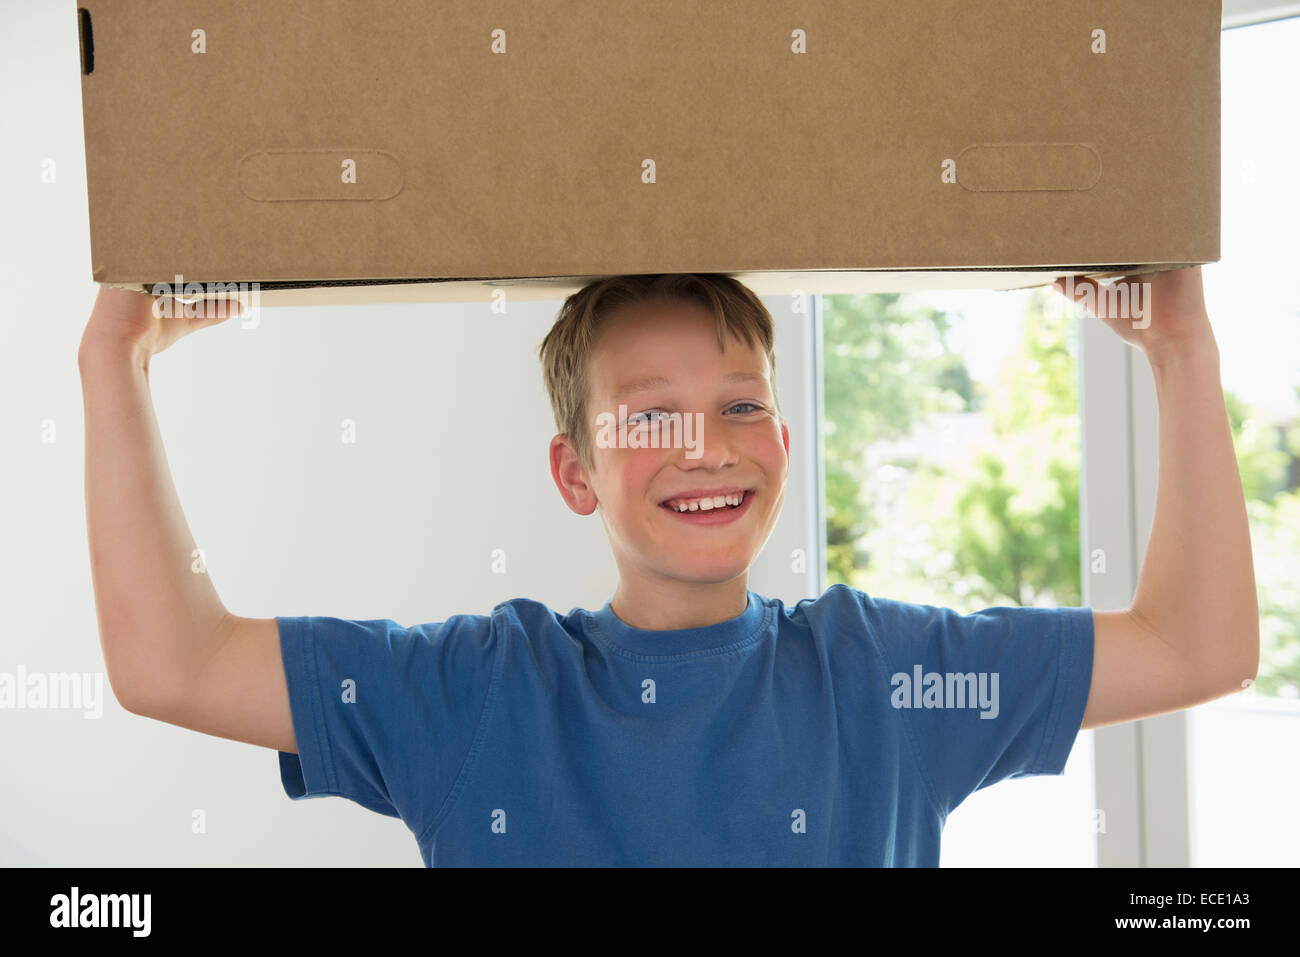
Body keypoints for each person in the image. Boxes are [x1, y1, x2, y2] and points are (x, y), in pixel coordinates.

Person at [77, 268, 1259, 865]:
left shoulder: (889, 676)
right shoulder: (474, 692)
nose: (704, 446)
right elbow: (171, 665)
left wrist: (1178, 349)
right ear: (574, 471)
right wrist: (113, 364)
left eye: (739, 404)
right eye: (647, 416)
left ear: (783, 447)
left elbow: (1197, 645)